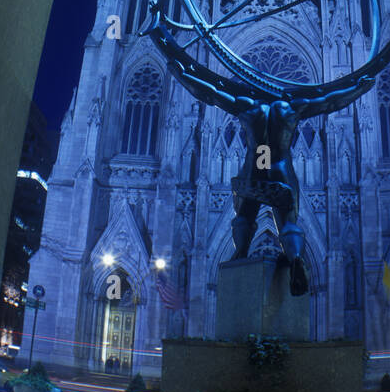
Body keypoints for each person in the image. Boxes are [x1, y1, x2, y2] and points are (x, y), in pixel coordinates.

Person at [146, 20, 378, 295]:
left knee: (244, 216)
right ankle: (295, 260)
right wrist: (361, 85)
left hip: (255, 166)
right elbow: (331, 100)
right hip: (280, 169)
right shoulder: (291, 105)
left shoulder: (249, 105)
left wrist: (177, 67)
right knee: (288, 221)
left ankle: (239, 255)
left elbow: (208, 91)